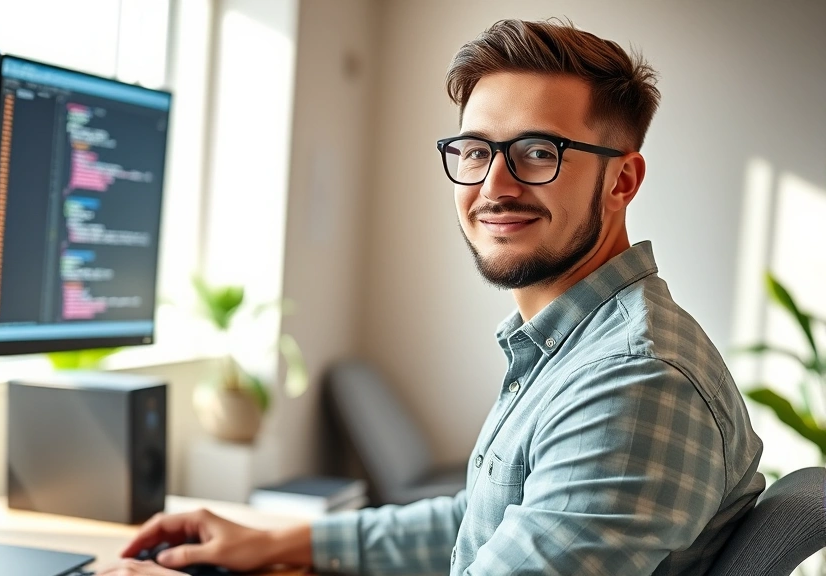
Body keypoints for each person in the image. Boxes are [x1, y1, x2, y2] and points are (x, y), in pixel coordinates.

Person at [98, 18, 764, 576]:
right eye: (475, 150)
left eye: (538, 151)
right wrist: (276, 542)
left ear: (622, 181)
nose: (494, 185)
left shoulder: (634, 380)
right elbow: (482, 518)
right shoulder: (575, 343)